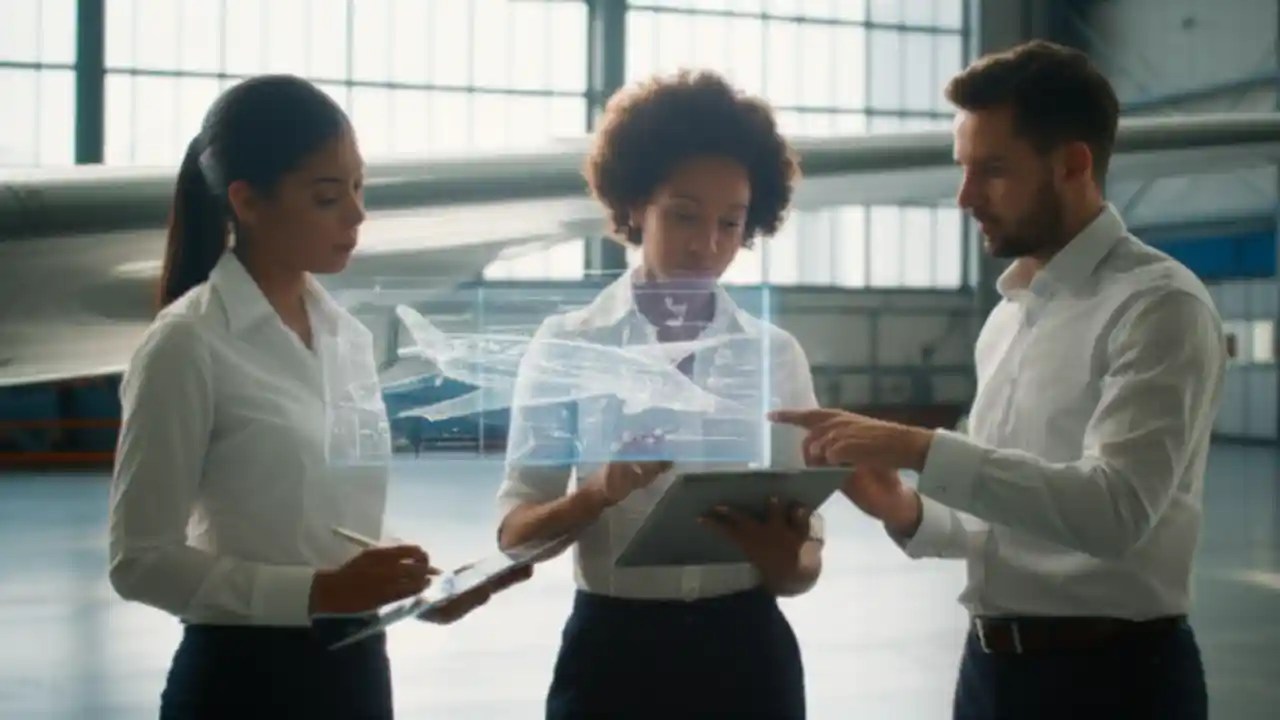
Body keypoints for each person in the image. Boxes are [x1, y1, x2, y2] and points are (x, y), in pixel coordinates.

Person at [772, 40, 1224, 720]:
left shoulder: (1158, 306)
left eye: (992, 171)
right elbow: (1001, 516)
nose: (965, 197)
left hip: (1114, 682)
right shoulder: (1009, 316)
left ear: (1073, 164)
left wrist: (919, 447)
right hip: (991, 673)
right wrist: (903, 507)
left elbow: (1114, 512)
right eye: (963, 169)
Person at [107, 75, 529, 720]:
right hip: (242, 683)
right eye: (328, 196)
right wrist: (320, 593)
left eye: (359, 188)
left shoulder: (346, 338)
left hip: (356, 672)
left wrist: (414, 585)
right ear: (248, 201)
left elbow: (329, 523)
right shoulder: (187, 344)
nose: (357, 215)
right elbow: (140, 562)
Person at [494, 70, 825, 720]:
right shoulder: (569, 345)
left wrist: (787, 562)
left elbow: (806, 557)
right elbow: (515, 535)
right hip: (613, 658)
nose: (708, 244)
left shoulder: (775, 355)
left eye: (731, 223)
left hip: (749, 656)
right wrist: (598, 493)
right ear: (634, 206)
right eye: (683, 215)